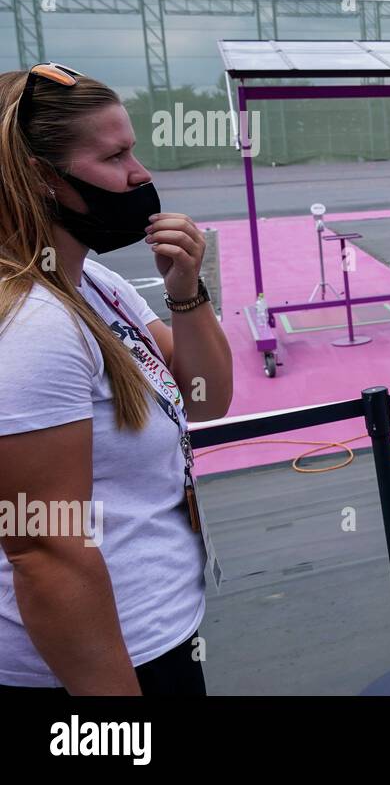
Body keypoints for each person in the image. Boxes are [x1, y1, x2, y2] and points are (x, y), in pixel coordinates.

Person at [0, 64, 233, 695]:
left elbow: (206, 400)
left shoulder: (100, 287)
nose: (141, 174)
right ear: (42, 178)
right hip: (103, 670)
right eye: (116, 155)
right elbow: (46, 554)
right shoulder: (32, 327)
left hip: (152, 636)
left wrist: (187, 293)